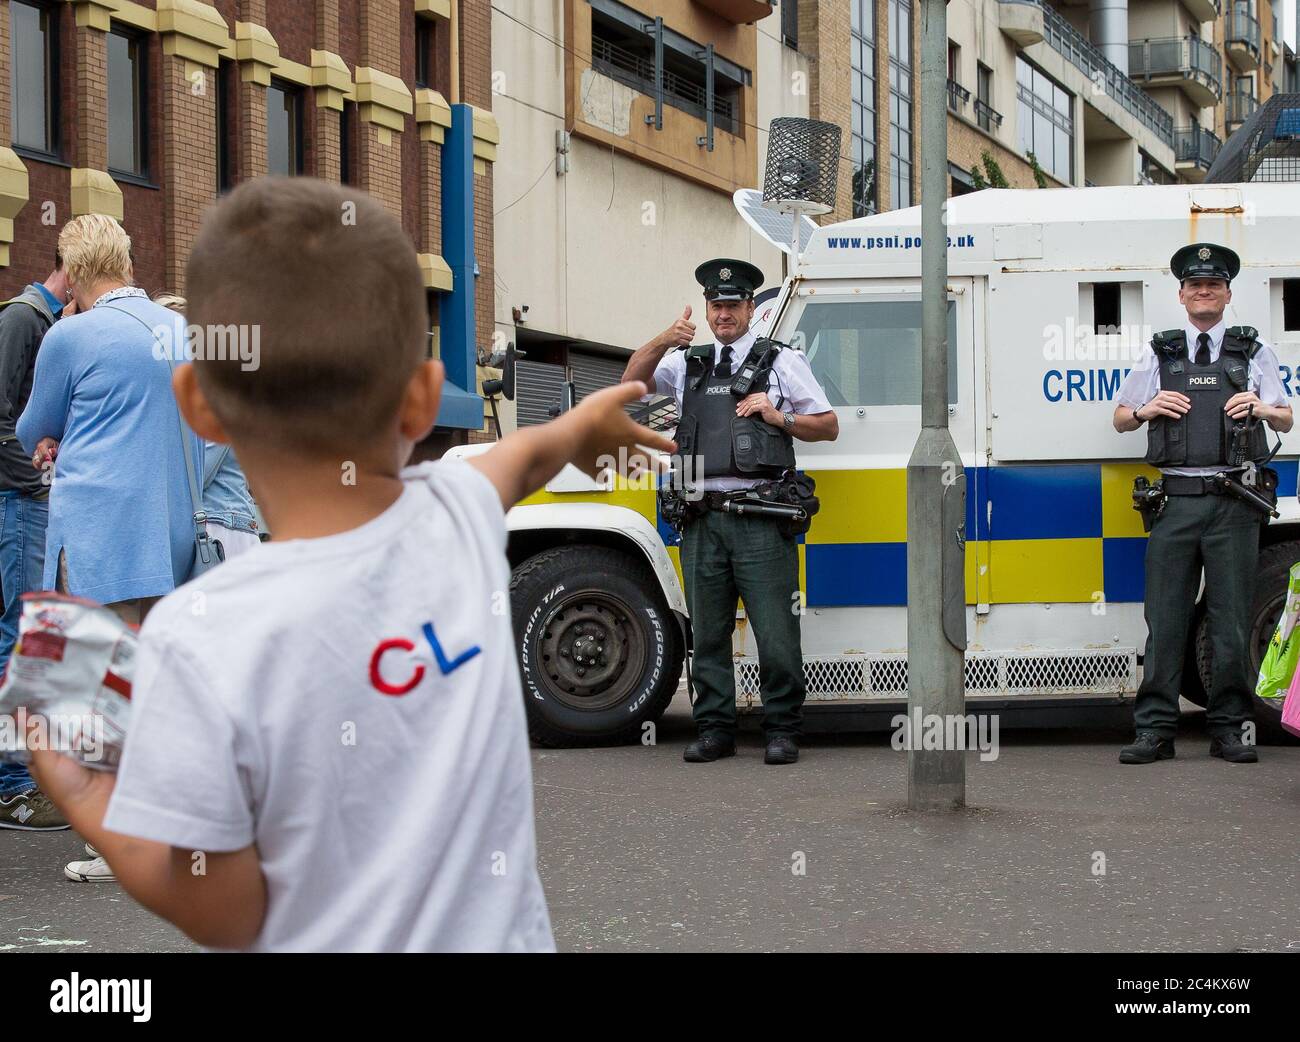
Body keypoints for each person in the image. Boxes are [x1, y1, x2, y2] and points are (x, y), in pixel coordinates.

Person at [27, 177, 673, 951]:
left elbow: (225, 905)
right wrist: (580, 426)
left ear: (198, 406)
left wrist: (87, 794)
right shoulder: (454, 515)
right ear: (424, 401)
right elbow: (520, 458)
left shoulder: (200, 639)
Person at [622, 259, 839, 766]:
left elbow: (827, 426)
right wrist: (663, 339)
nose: (724, 314)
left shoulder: (780, 362)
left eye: (733, 305)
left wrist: (778, 414)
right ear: (706, 309)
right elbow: (629, 384)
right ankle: (714, 729)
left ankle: (782, 729)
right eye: (715, 306)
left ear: (748, 308)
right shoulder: (684, 364)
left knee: (776, 632)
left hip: (762, 518)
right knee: (709, 632)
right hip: (703, 520)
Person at [1113, 242, 1293, 765]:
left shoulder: (1254, 352)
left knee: (1232, 621)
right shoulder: (1161, 352)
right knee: (1164, 621)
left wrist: (1261, 406)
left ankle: (1230, 729)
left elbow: (1285, 418)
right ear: (1183, 295)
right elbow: (1120, 417)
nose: (1204, 292)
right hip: (1176, 504)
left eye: (1213, 285)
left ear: (1227, 294)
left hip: (1234, 502)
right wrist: (1146, 409)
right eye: (1195, 286)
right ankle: (1154, 732)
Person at [17, 215, 203, 626]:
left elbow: (30, 430)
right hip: (173, 536)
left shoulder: (70, 335)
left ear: (72, 274)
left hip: (99, 539)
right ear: (128, 265)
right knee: (152, 670)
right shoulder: (182, 330)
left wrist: (55, 436)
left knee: (96, 674)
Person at [0, 257, 70, 831]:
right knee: (18, 634)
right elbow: (2, 414)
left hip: (27, 500)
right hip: (19, 502)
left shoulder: (42, 324)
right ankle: (12, 787)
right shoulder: (25, 320)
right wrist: (32, 481)